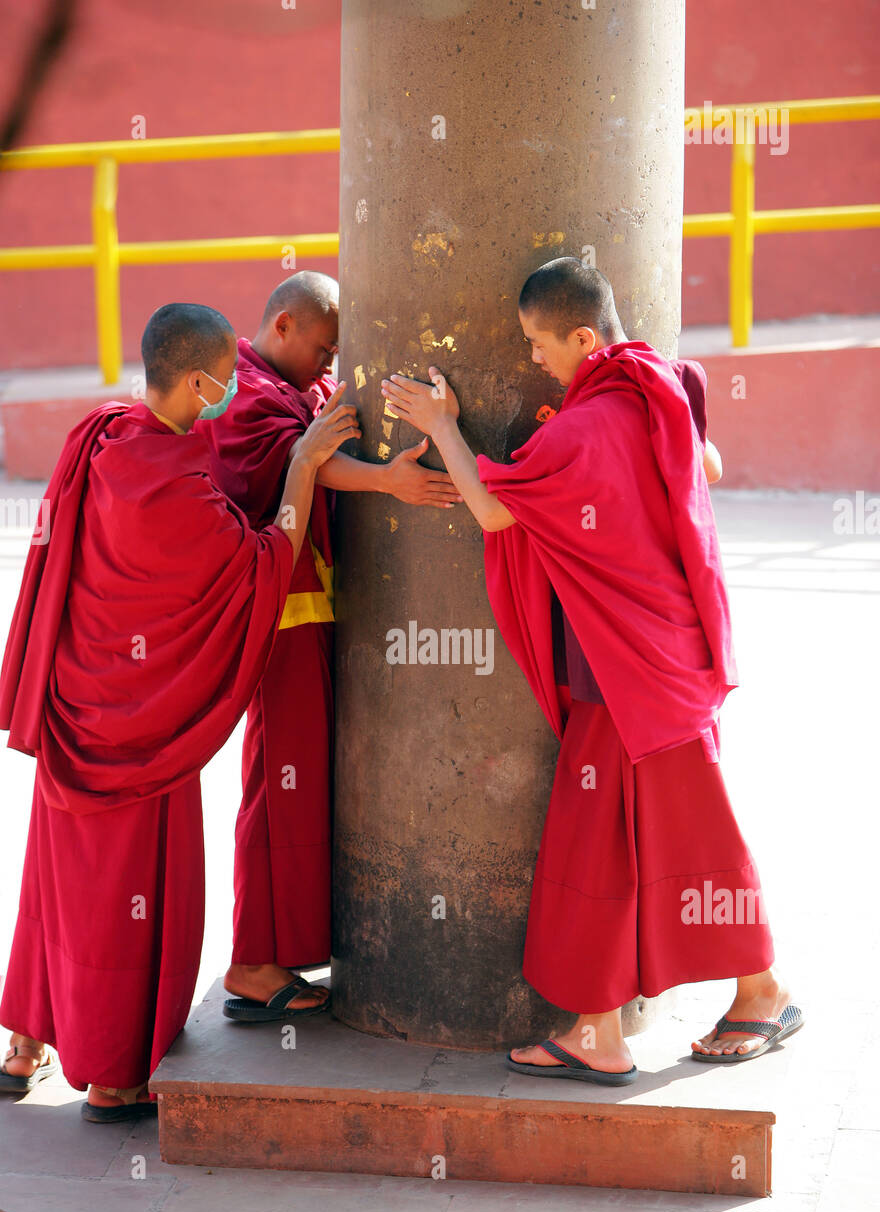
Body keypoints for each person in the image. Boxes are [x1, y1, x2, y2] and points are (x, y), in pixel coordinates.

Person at [381, 259, 802, 1084]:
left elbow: (495, 508)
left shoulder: (584, 429)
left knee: (694, 837)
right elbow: (704, 469)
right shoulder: (654, 386)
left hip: (639, 674)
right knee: (601, 841)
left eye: (539, 343)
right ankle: (599, 1031)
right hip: (641, 664)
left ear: (581, 336)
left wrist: (442, 427)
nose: (533, 357)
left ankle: (761, 991)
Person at [0, 302, 358, 1119]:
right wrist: (301, 466)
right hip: (139, 729)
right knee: (122, 892)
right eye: (227, 377)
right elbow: (265, 564)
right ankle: (115, 1073)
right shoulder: (178, 490)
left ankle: (25, 1043)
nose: (235, 387)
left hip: (75, 700)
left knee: (57, 879)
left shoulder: (99, 435)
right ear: (200, 382)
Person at [201, 272, 461, 1022]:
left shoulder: (291, 386)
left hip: (310, 605)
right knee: (276, 785)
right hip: (280, 614)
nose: (328, 364)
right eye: (322, 349)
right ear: (282, 327)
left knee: (299, 783)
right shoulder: (246, 394)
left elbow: (315, 442)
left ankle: (273, 952)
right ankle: (252, 963)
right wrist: (386, 481)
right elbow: (298, 464)